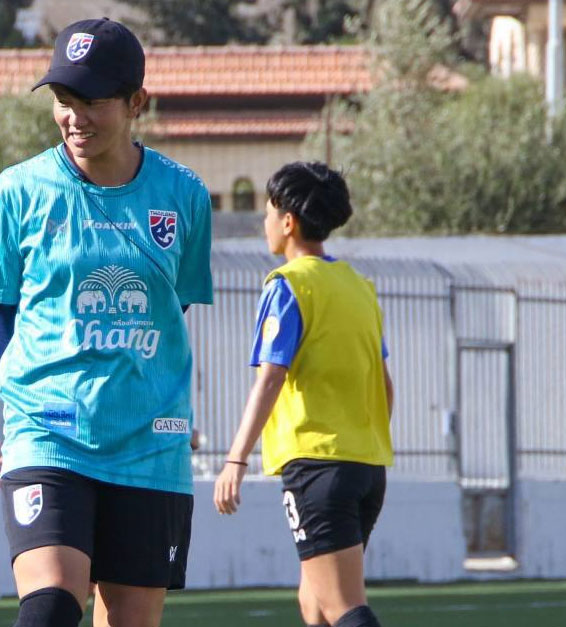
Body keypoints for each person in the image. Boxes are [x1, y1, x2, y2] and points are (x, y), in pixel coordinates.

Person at [0, 17, 213, 627]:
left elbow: (169, 309)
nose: (75, 117)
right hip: (48, 435)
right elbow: (1, 306)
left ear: (136, 103)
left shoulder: (184, 196)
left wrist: (151, 393)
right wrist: (24, 412)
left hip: (150, 446)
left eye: (94, 102)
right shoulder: (16, 192)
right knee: (51, 602)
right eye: (63, 99)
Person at [212, 162, 394, 627]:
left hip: (317, 468)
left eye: (268, 212)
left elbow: (271, 377)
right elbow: (385, 384)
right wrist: (363, 440)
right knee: (314, 606)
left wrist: (236, 459)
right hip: (366, 467)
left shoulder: (288, 286)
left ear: (288, 221)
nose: (265, 223)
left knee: (342, 606)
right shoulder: (359, 287)